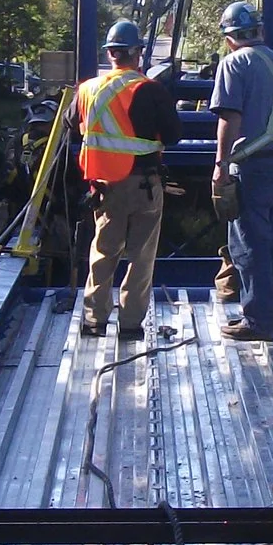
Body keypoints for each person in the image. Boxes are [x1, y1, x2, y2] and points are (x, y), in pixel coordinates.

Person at [208, 0, 273, 342]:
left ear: (229, 38)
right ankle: (268, 314)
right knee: (271, 245)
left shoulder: (234, 64)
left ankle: (259, 321)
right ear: (260, 31)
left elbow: (230, 118)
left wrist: (221, 164)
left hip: (248, 168)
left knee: (248, 246)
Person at [72, 18, 180, 339]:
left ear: (111, 54)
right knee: (141, 256)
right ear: (136, 53)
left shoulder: (87, 90)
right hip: (144, 184)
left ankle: (94, 320)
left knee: (104, 250)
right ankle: (130, 325)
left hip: (104, 186)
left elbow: (70, 125)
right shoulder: (150, 90)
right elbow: (173, 135)